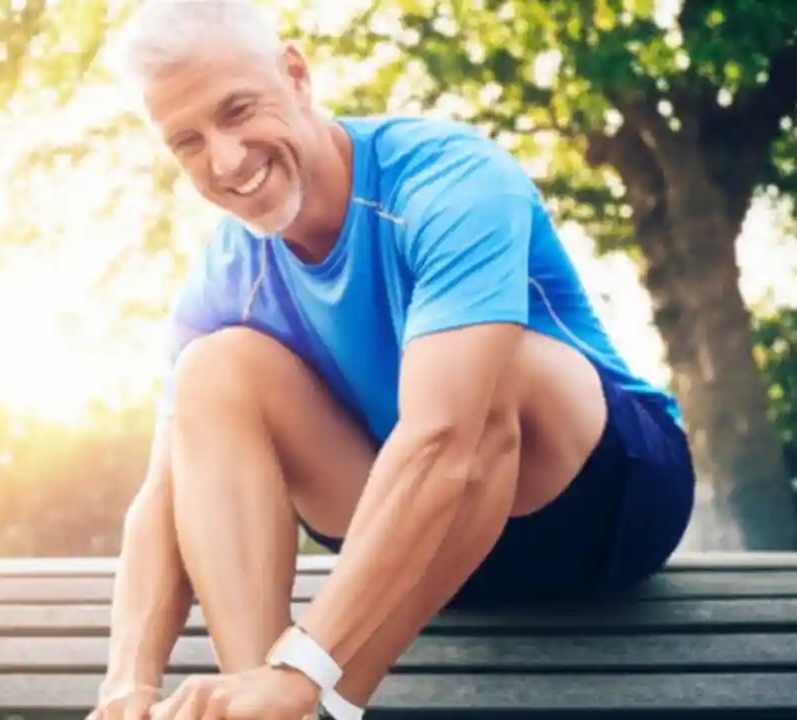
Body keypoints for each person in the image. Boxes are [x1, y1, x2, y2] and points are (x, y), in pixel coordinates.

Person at [90, 2, 696, 718]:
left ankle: (306, 695)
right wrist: (124, 684)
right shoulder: (226, 276)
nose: (224, 160)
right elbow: (165, 497)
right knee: (210, 373)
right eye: (187, 141)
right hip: (427, 550)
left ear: (295, 74)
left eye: (238, 110)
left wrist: (310, 668)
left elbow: (444, 439)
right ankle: (266, 705)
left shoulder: (446, 182)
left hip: (599, 507)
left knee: (491, 369)